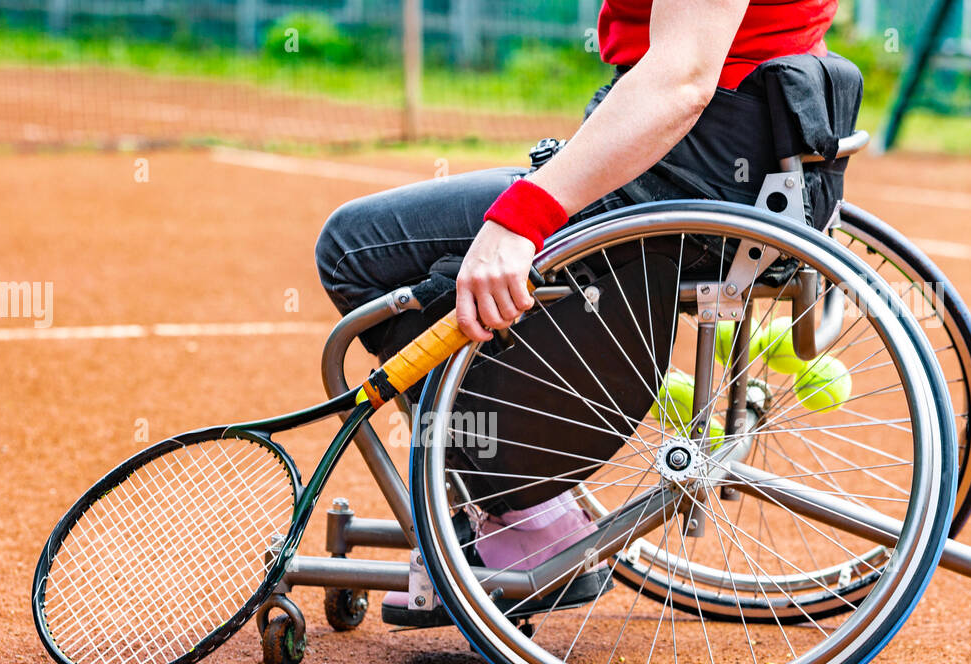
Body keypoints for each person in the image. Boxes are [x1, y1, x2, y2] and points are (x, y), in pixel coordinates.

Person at [315, 0, 851, 625]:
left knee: (352, 250)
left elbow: (681, 79)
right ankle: (524, 508)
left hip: (681, 176)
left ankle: (522, 513)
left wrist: (524, 217)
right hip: (744, 163)